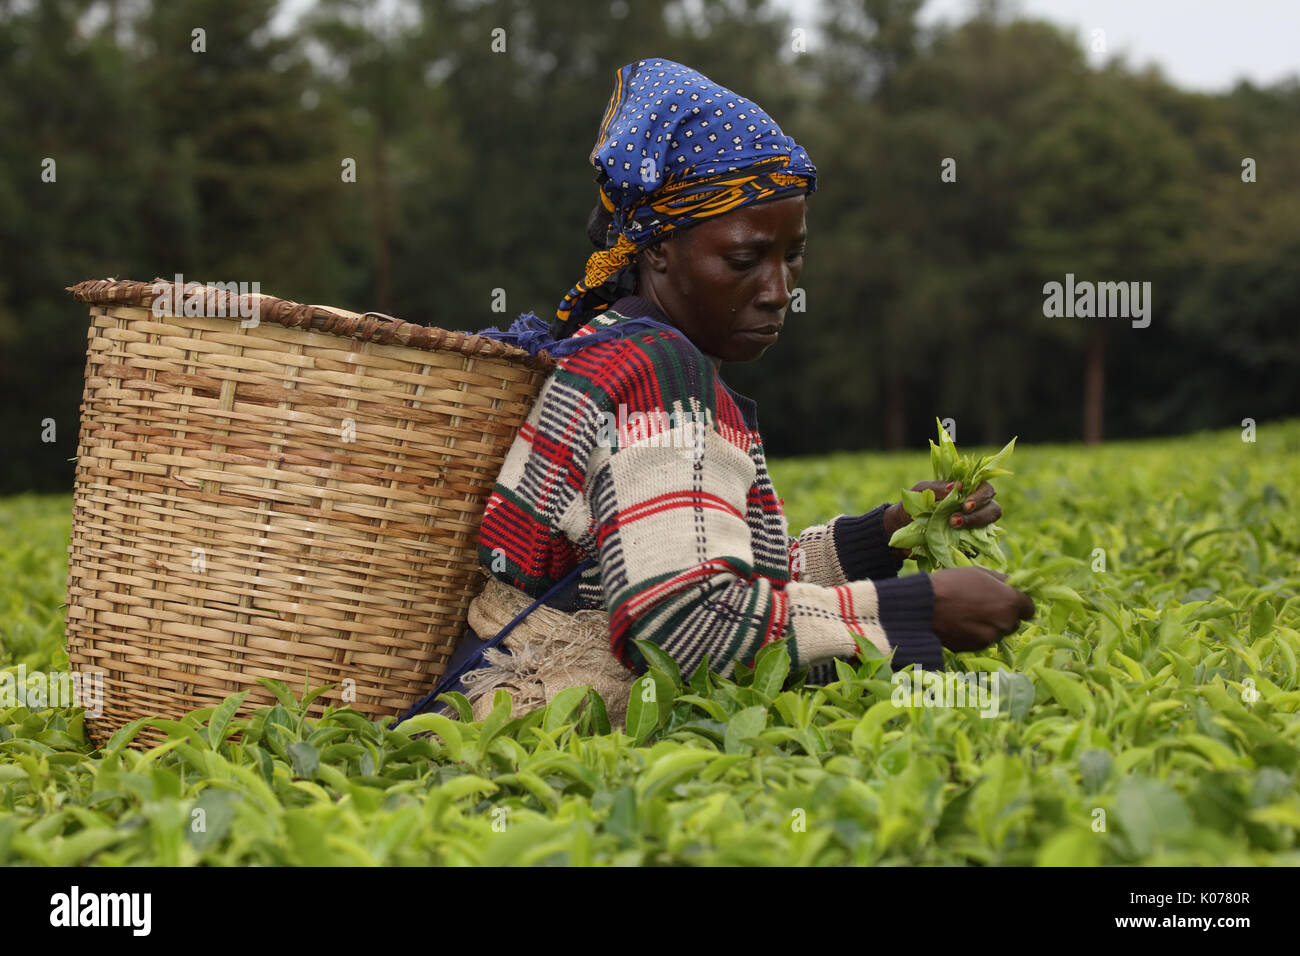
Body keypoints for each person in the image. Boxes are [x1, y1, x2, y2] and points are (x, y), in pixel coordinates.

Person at [423, 58, 1033, 726]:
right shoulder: (659, 375)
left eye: (792, 255)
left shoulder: (608, 348)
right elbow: (684, 623)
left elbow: (689, 567)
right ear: (657, 252)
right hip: (551, 728)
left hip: (497, 704)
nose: (779, 291)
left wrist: (882, 536)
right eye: (743, 261)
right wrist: (920, 612)